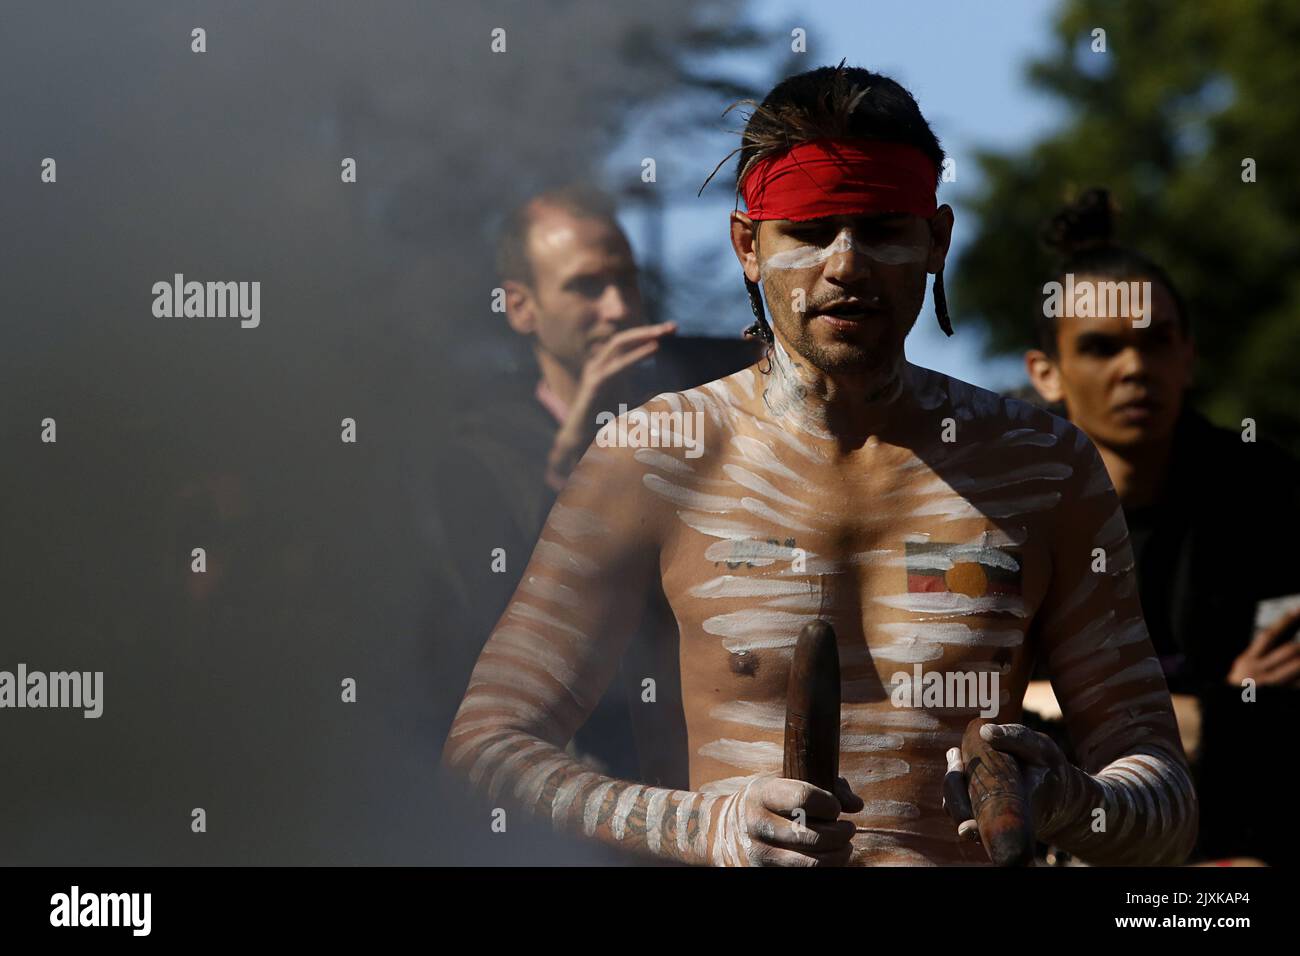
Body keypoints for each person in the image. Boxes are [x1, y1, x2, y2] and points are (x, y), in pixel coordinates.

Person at [442, 64, 1197, 866]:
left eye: (881, 230)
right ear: (748, 246)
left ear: (936, 240)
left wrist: (1073, 802)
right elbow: (487, 749)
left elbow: (1169, 805)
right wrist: (704, 826)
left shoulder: (1044, 467)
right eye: (807, 231)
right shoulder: (655, 458)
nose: (846, 264)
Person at [1023, 189, 1300, 863]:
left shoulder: (1272, 498)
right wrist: (1202, 712)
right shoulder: (998, 506)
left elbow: (1281, 711)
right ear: (1046, 373)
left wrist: (1065, 703)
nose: (1134, 370)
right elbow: (963, 702)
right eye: (1100, 348)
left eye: (1156, 343)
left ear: (1188, 358)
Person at [433, 184, 676, 780]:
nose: (619, 307)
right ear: (521, 308)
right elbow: (497, 639)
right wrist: (568, 468)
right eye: (587, 286)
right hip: (571, 792)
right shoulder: (474, 460)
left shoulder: (690, 422)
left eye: (626, 279)